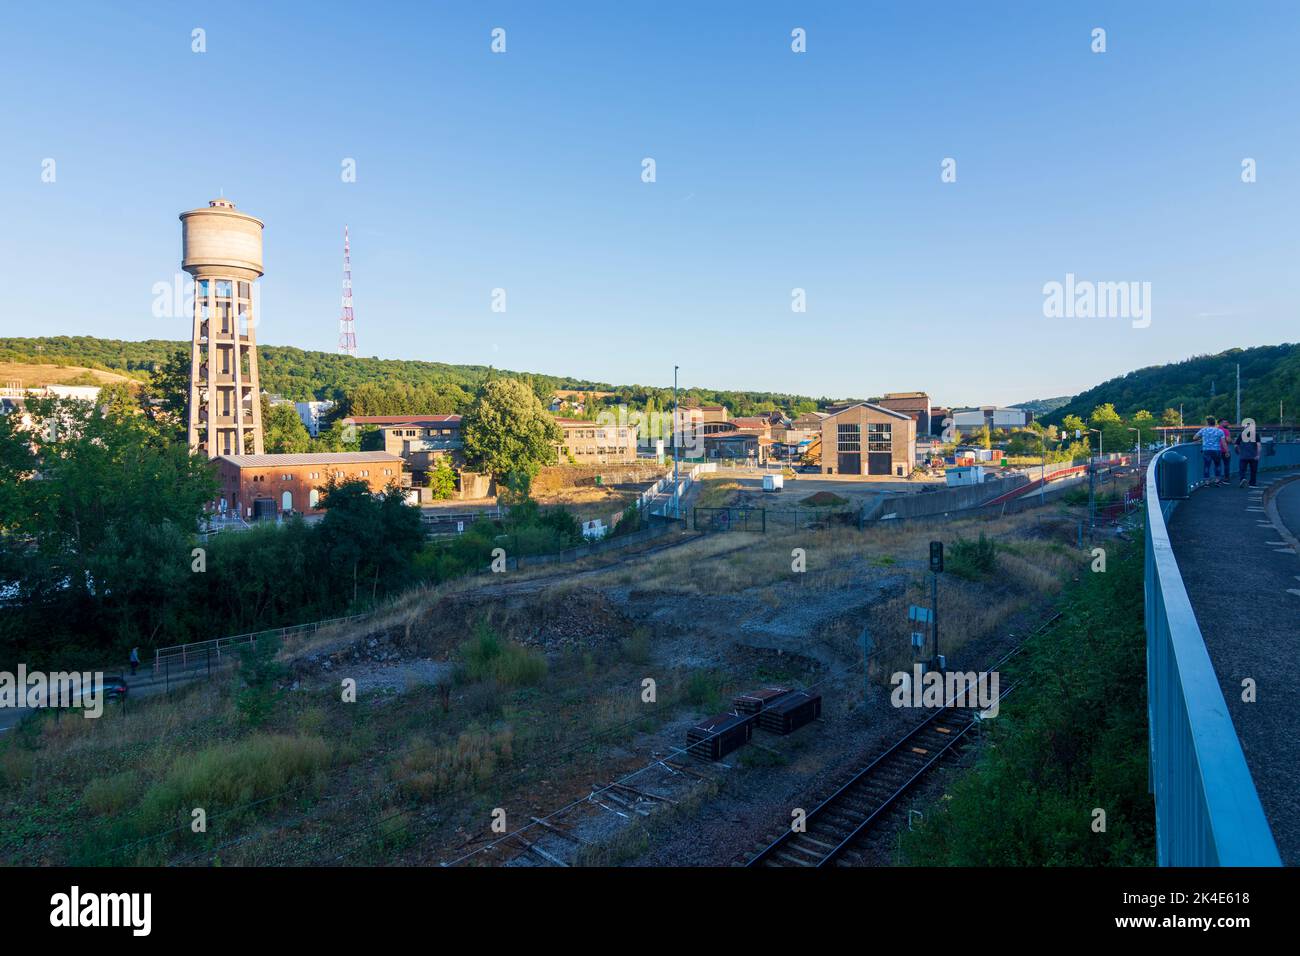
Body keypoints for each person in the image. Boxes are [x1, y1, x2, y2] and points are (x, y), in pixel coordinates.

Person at [1192, 416, 1224, 485]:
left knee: (1207, 466)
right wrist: (1227, 451)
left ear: (1208, 423)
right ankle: (1217, 480)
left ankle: (1207, 481)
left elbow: (1194, 437)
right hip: (1216, 450)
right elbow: (1223, 442)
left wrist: (1202, 439)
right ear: (1214, 423)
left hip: (1206, 450)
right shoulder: (1219, 431)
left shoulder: (1203, 430)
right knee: (1217, 465)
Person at [1218, 419, 1233, 484]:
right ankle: (1226, 479)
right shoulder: (1225, 430)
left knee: (1217, 465)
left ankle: (1217, 479)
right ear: (1221, 423)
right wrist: (1232, 441)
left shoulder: (1216, 430)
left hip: (1217, 450)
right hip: (1224, 450)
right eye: (1225, 422)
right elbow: (1228, 440)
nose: (1227, 423)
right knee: (1226, 464)